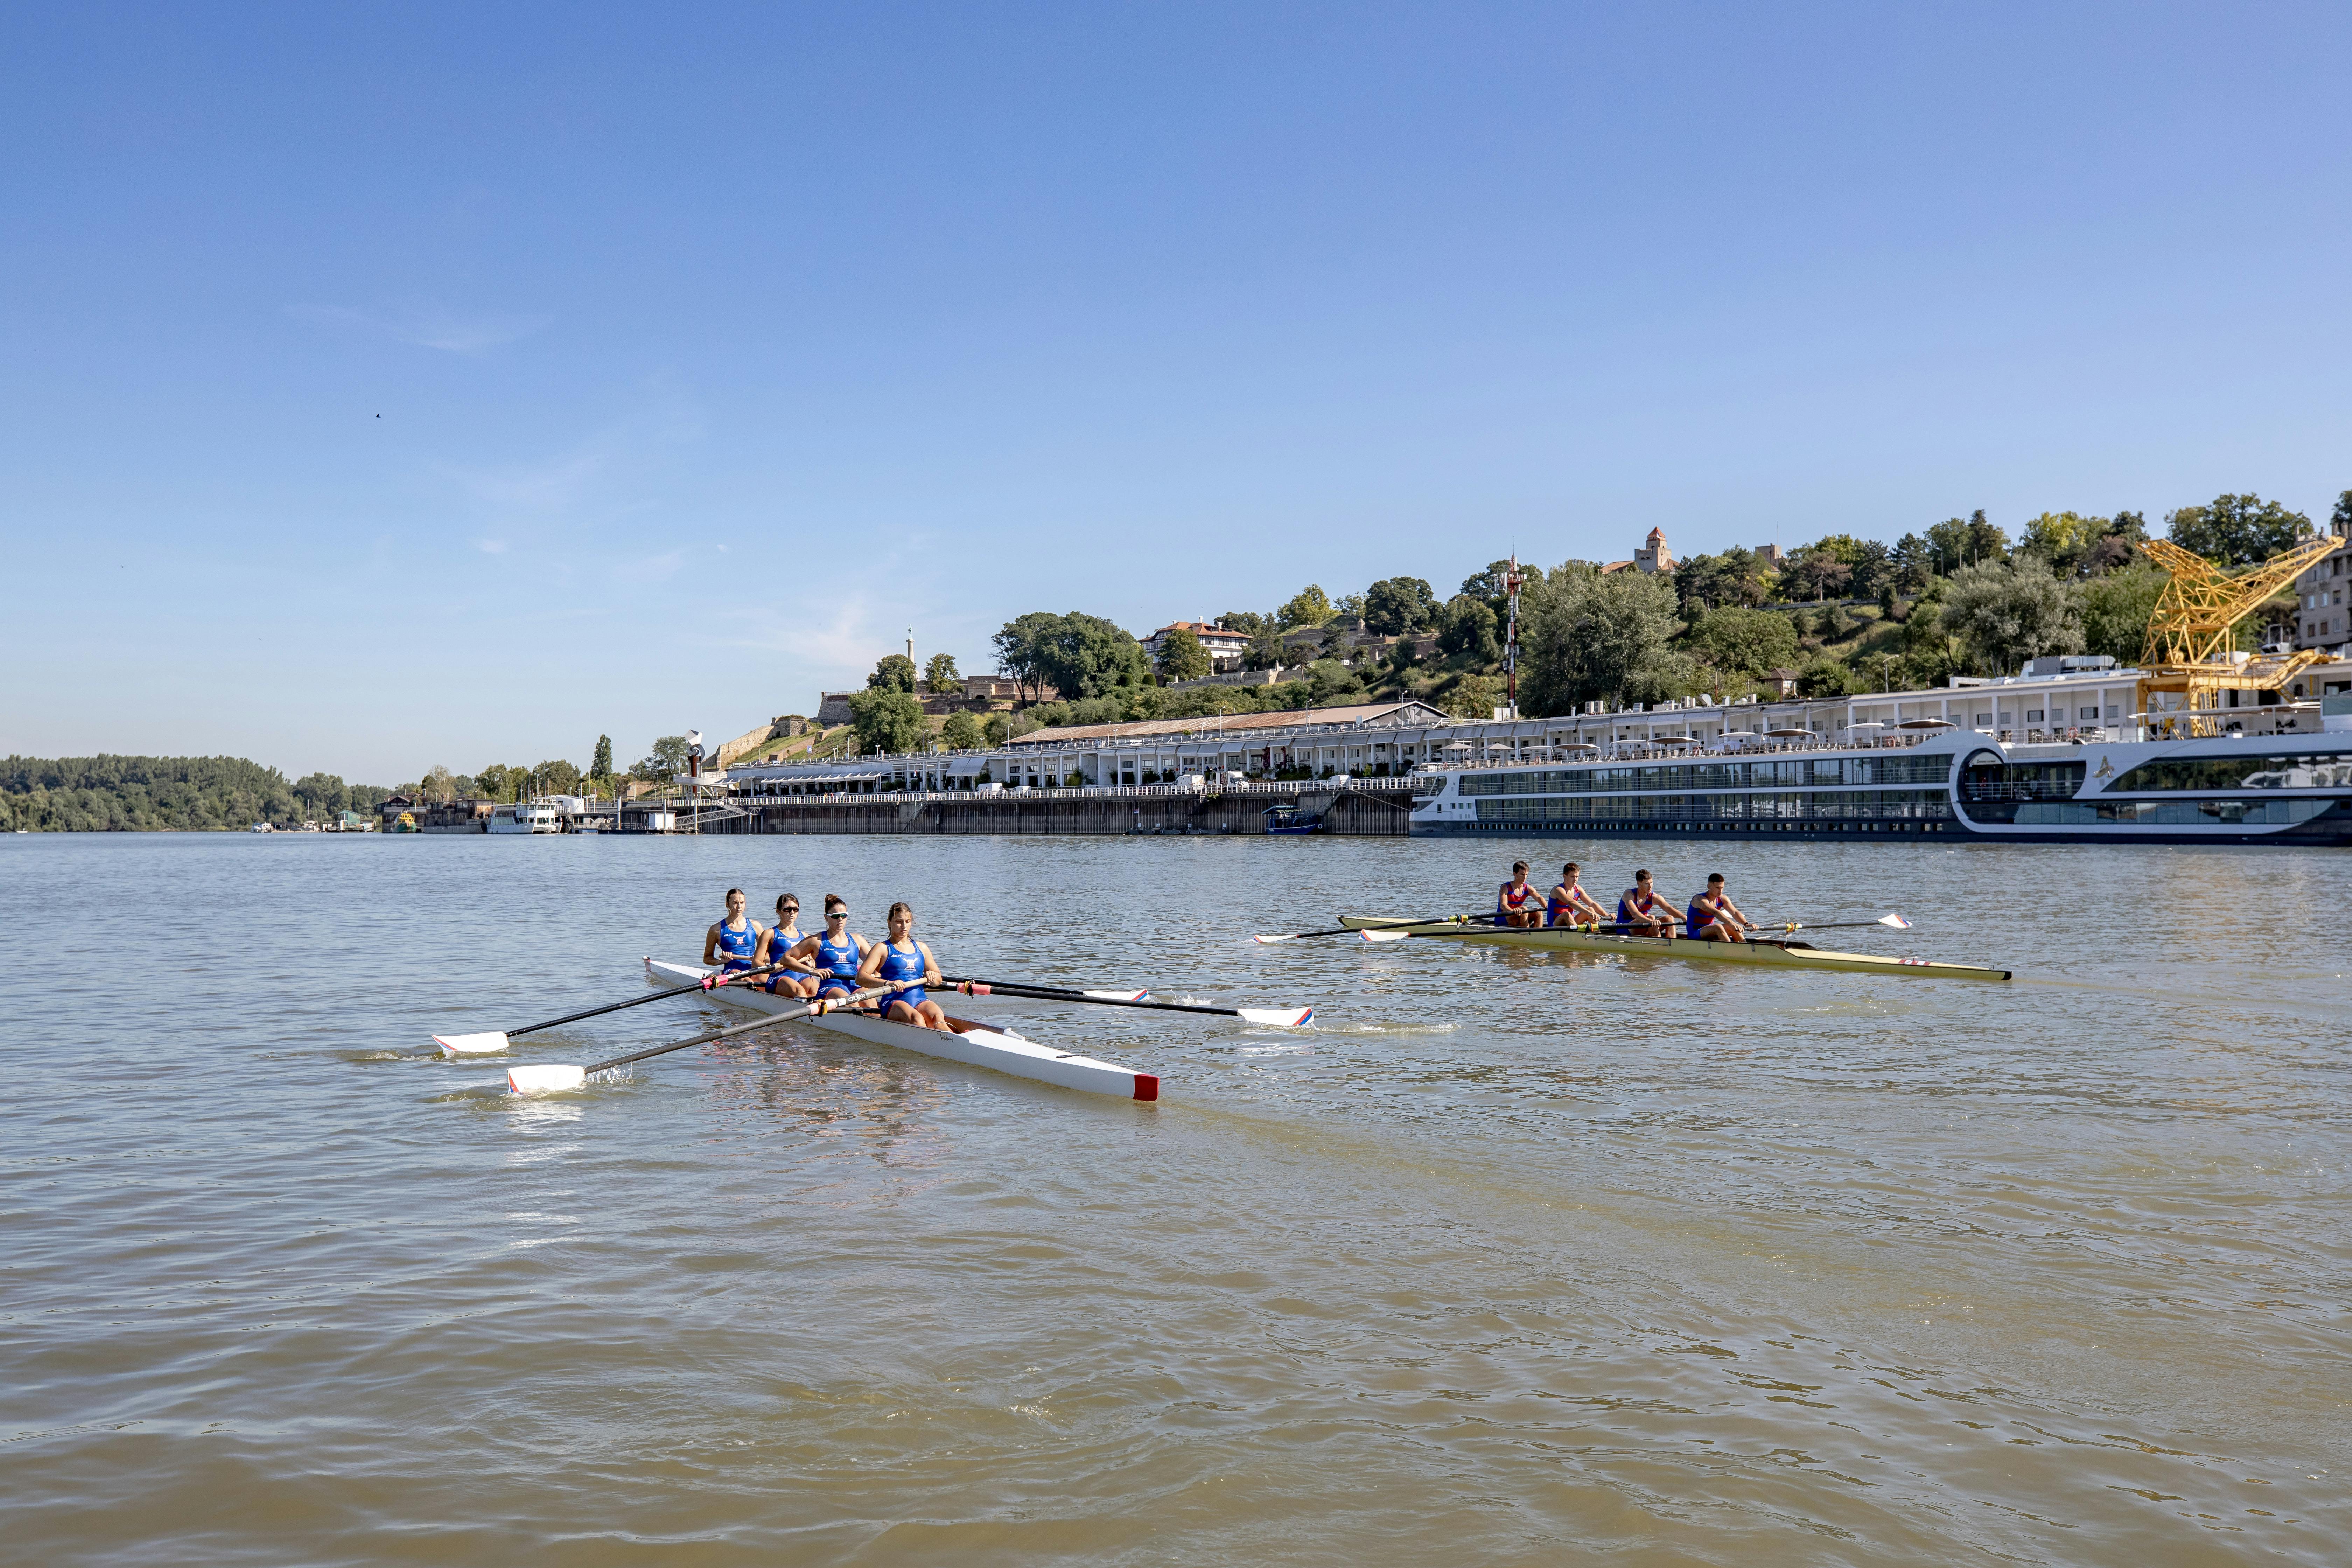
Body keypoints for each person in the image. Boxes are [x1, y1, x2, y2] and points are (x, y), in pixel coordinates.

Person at [858, 900, 948, 1029]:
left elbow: (939, 980)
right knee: (917, 1019)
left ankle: (956, 1042)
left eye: (908, 922)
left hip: (920, 999)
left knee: (938, 1018)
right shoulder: (882, 948)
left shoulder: (922, 948)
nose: (904, 927)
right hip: (893, 1001)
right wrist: (887, 983)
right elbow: (861, 978)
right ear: (890, 922)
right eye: (899, 922)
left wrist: (932, 977)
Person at [791, 894, 871, 1001]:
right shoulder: (816, 941)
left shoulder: (858, 940)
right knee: (852, 1003)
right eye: (835, 916)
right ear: (826, 917)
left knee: (872, 1004)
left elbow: (878, 965)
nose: (840, 919)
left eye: (844, 915)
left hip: (856, 984)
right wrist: (812, 971)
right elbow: (786, 959)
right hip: (831, 987)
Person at [756, 892, 818, 997]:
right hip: (778, 976)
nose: (792, 912)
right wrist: (775, 968)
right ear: (779, 911)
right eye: (787, 910)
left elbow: (815, 962)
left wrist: (812, 963)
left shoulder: (805, 937)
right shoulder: (770, 934)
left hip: (802, 974)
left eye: (795, 909)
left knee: (816, 991)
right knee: (799, 992)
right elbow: (756, 964)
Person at [702, 887, 764, 977]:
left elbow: (768, 950)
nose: (739, 906)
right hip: (732, 970)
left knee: (763, 980)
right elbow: (707, 959)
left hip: (754, 967)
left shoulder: (756, 926)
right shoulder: (716, 930)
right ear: (727, 905)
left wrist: (760, 958)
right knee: (747, 980)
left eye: (742, 903)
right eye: (735, 903)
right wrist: (721, 961)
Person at [1686, 873, 1755, 943]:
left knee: (1732, 928)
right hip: (1695, 934)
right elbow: (1715, 912)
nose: (1721, 891)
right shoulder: (1700, 899)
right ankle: (1730, 950)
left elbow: (1735, 912)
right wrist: (1732, 923)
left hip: (1710, 931)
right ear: (1709, 886)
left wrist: (1746, 924)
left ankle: (1746, 949)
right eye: (1718, 888)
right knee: (1719, 927)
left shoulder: (1723, 899)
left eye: (1722, 888)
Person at [1616, 870, 1681, 937]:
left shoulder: (1654, 897)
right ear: (1639, 883)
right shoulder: (1629, 895)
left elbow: (1669, 908)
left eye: (1652, 883)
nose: (1650, 887)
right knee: (1652, 917)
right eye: (1647, 884)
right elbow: (1635, 913)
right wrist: (1650, 921)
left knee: (1669, 918)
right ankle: (1659, 944)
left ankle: (1672, 943)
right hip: (1624, 928)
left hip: (1646, 925)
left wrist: (1683, 917)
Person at [1545, 862, 1609, 927]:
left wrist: (1606, 915)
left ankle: (1597, 934)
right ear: (1565, 876)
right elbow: (1571, 903)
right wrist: (1587, 912)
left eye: (1577, 877)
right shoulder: (1558, 890)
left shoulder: (1578, 889)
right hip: (1555, 925)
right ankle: (1579, 933)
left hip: (1570, 922)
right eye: (1572, 877)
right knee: (1567, 914)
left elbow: (1592, 903)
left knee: (1591, 909)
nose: (1575, 880)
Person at [1496, 862, 1544, 928]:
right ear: (1515, 874)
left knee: (1539, 912)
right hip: (1504, 918)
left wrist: (1547, 907)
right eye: (1522, 875)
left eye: (1527, 875)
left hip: (1520, 915)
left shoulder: (1528, 888)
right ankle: (1526, 934)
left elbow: (1539, 898)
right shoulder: (1505, 887)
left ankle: (1538, 934)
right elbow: (1503, 906)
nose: (1525, 877)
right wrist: (1513, 911)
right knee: (1524, 909)